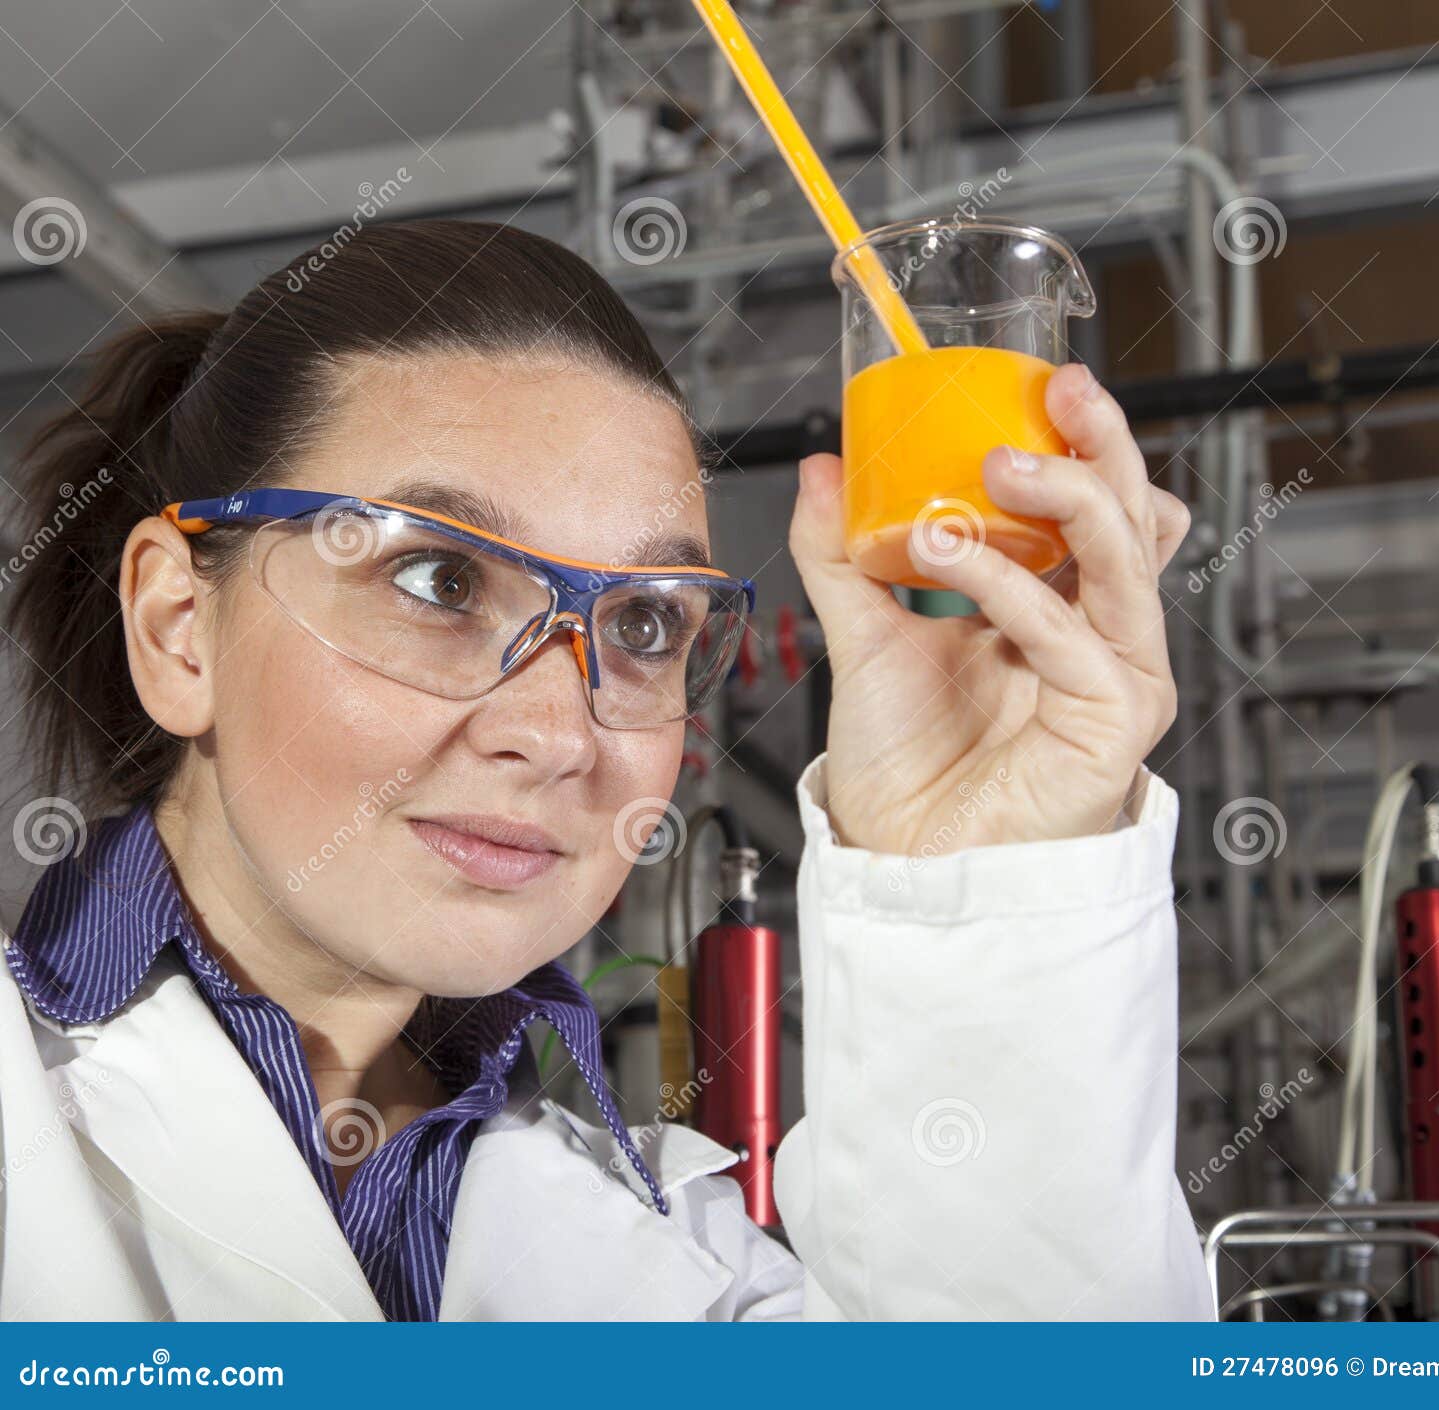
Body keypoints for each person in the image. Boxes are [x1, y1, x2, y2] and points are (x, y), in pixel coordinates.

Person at [0, 218, 1211, 1321]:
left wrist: (980, 866)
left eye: (640, 625)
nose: (561, 731)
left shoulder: (678, 1264)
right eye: (437, 579)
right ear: (176, 626)